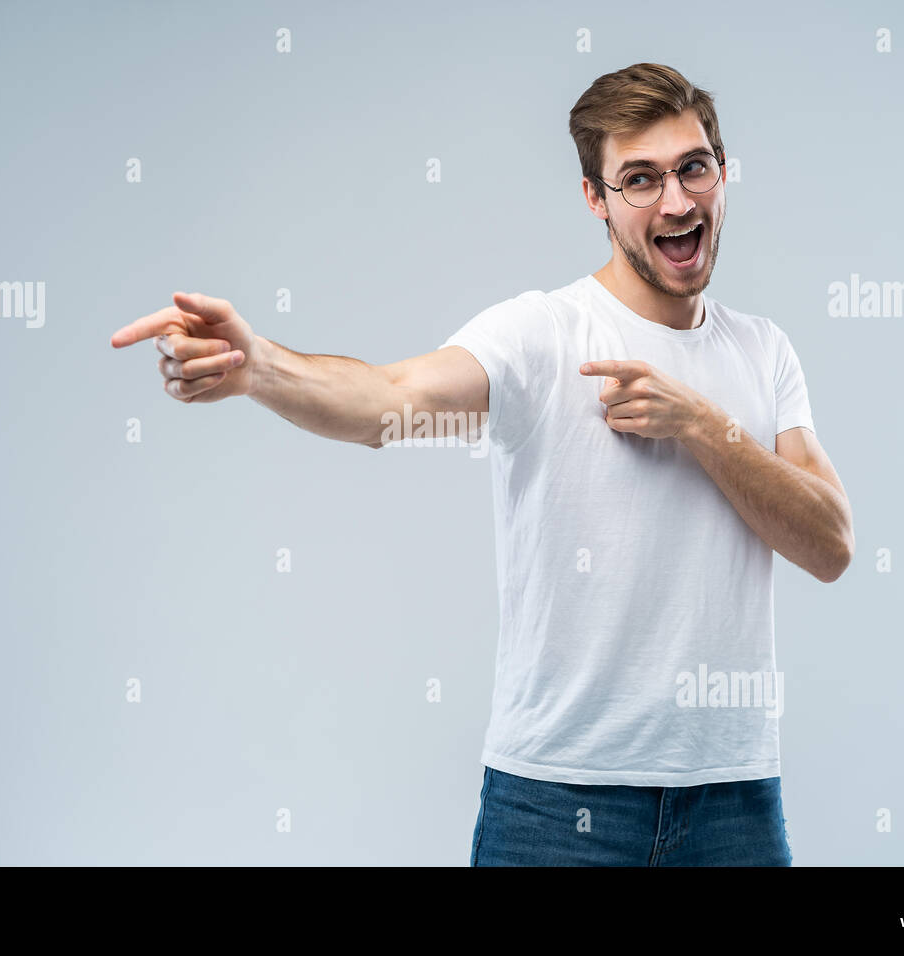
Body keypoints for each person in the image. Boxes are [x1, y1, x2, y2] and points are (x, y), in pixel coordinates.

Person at [109, 62, 854, 867]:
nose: (676, 202)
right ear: (596, 200)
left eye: (693, 168)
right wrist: (260, 368)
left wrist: (706, 427)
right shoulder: (542, 335)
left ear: (721, 172)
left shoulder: (763, 351)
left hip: (733, 802)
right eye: (639, 180)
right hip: (555, 801)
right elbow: (387, 400)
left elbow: (830, 544)